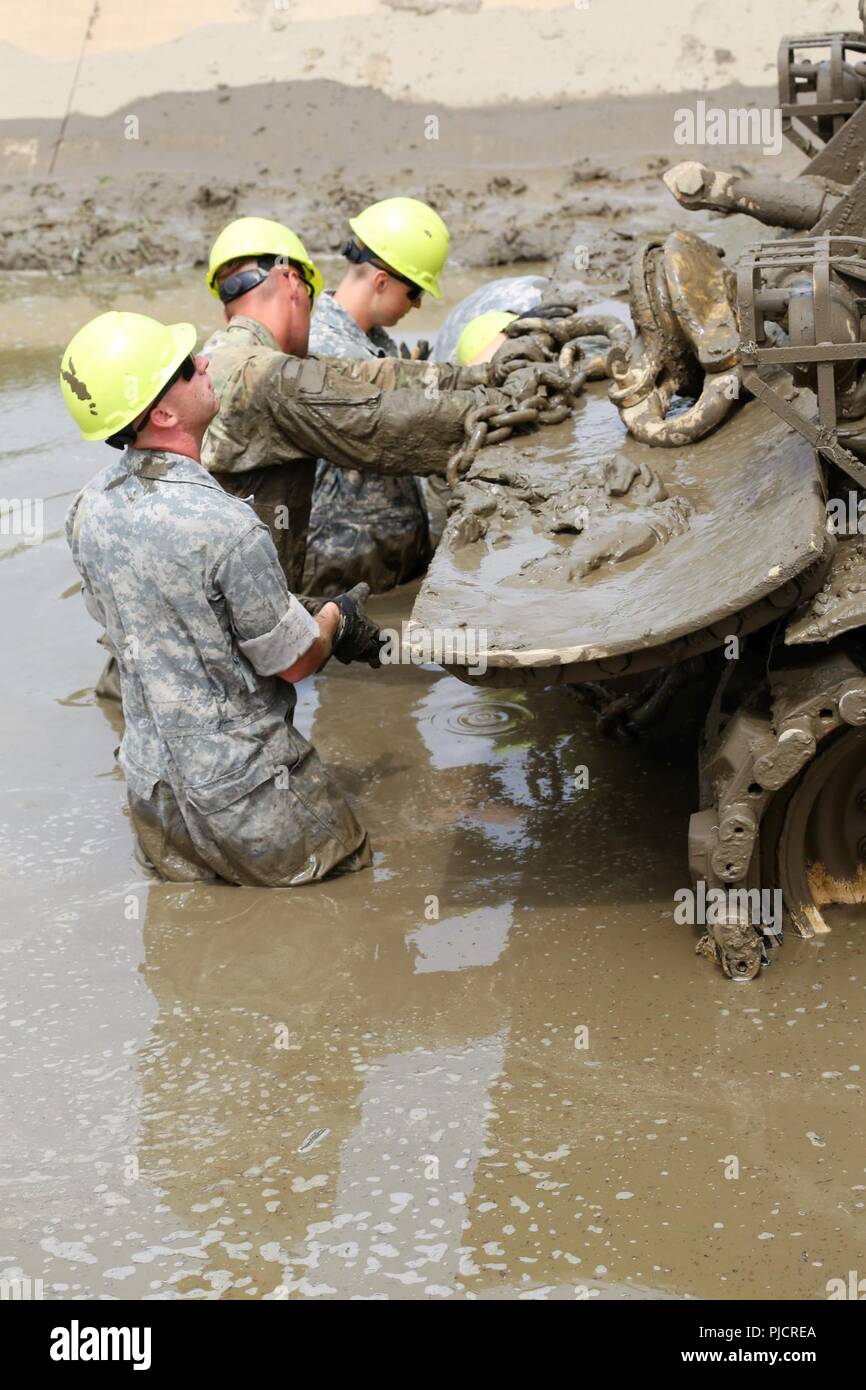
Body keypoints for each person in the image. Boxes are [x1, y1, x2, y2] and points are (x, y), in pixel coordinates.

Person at [61, 310, 382, 887]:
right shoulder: (227, 525)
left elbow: (130, 624)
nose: (206, 362)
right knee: (351, 889)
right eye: (187, 368)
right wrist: (336, 618)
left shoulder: (86, 509)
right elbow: (294, 663)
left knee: (193, 946)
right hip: (253, 797)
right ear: (161, 413)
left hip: (155, 798)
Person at [199, 217, 523, 593]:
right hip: (252, 625)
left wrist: (483, 376)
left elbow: (374, 376)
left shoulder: (231, 359)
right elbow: (376, 424)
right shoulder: (267, 376)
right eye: (310, 296)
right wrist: (503, 405)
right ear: (291, 283)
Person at [303, 197, 448, 596]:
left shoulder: (375, 343)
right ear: (381, 281)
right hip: (341, 572)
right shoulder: (321, 351)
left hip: (385, 563)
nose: (418, 303)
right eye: (414, 290)